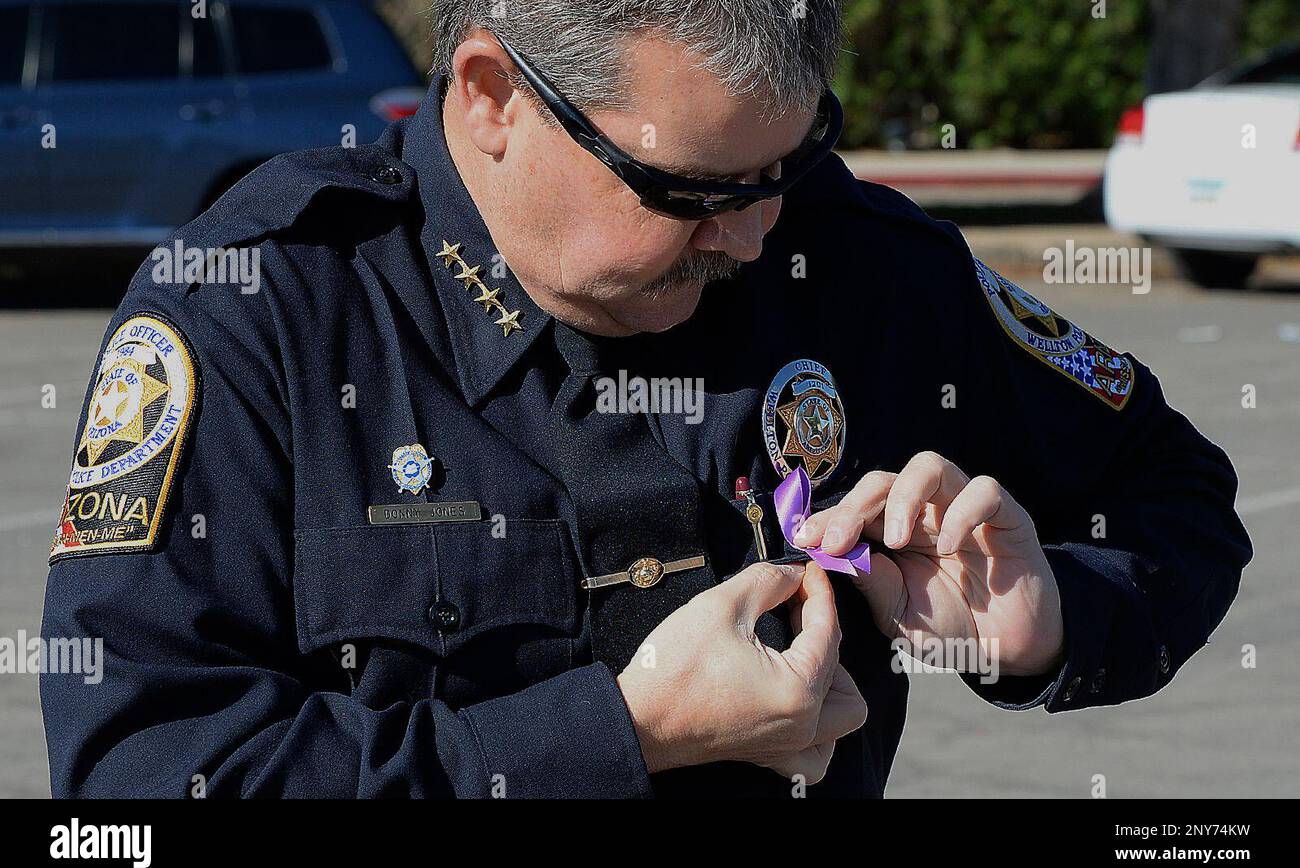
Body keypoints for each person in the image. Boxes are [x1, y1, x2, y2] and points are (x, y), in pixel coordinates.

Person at [41, 0, 1251, 798]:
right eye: (689, 190)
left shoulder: (861, 263)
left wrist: (1038, 619)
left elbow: (1177, 496)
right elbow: (138, 784)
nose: (751, 230)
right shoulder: (265, 306)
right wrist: (617, 736)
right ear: (490, 97)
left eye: (787, 164)